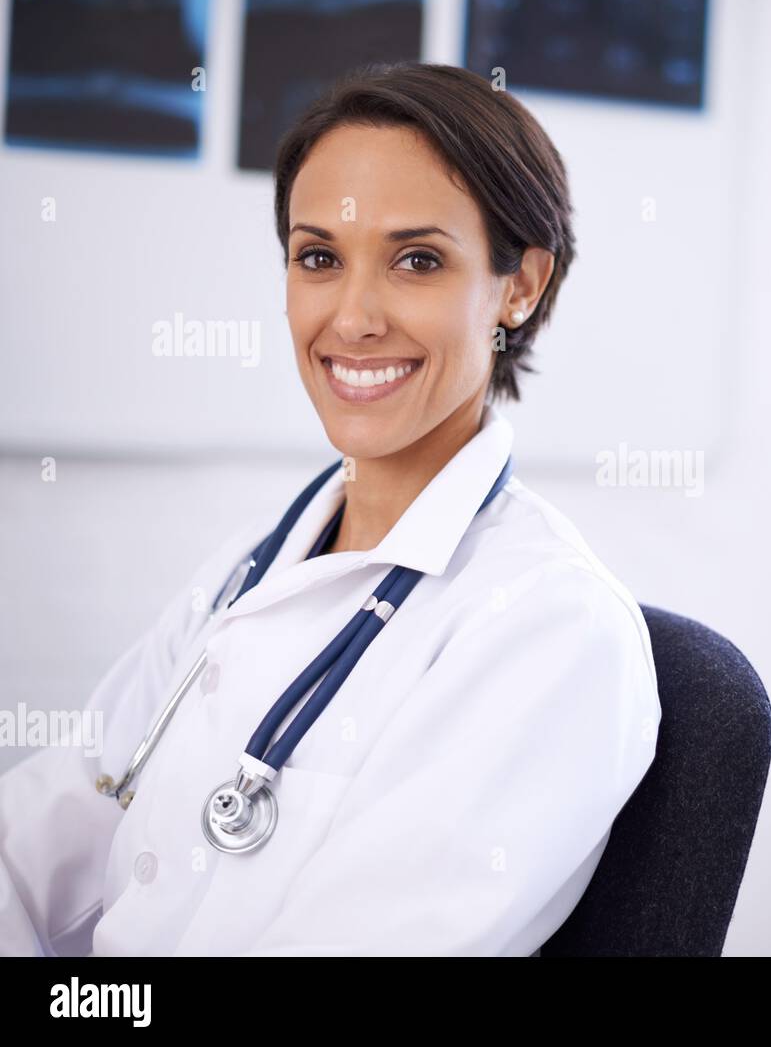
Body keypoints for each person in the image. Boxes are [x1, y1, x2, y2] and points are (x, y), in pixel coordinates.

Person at [0, 62, 661, 956]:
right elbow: (54, 823)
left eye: (416, 260)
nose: (351, 318)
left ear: (520, 285)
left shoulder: (554, 629)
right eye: (319, 258)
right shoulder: (257, 562)